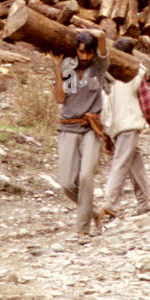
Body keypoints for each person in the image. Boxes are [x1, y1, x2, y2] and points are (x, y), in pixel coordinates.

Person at [51, 30, 110, 242]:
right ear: (76, 51)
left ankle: (82, 229)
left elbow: (102, 38)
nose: (85, 57)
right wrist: (57, 68)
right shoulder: (69, 68)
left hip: (91, 128)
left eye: (89, 53)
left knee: (86, 177)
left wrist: (92, 32)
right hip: (68, 126)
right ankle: (95, 212)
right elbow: (60, 99)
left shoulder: (99, 67)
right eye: (82, 53)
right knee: (67, 183)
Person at [97, 38, 150, 224]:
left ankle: (144, 202)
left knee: (133, 159)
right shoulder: (136, 72)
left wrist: (105, 132)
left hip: (114, 124)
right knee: (122, 162)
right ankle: (110, 204)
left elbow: (103, 104)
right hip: (130, 123)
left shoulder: (106, 73)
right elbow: (146, 102)